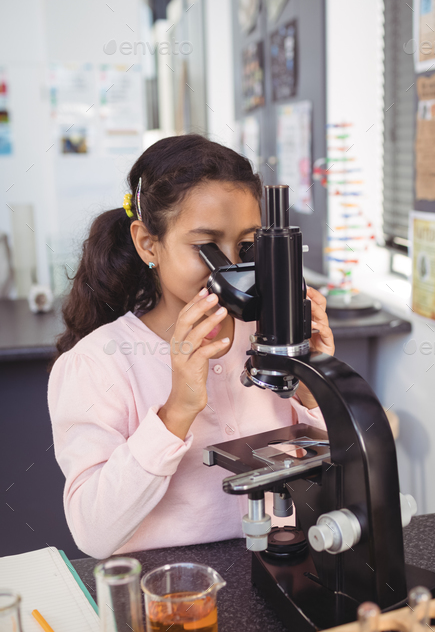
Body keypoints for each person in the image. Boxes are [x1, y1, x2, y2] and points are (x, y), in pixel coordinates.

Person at [48, 135, 333, 559]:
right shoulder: (95, 364)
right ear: (149, 243)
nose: (233, 267)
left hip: (282, 562)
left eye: (248, 247)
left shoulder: (271, 333)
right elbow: (92, 533)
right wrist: (177, 409)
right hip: (170, 587)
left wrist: (317, 387)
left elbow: (339, 473)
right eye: (207, 247)